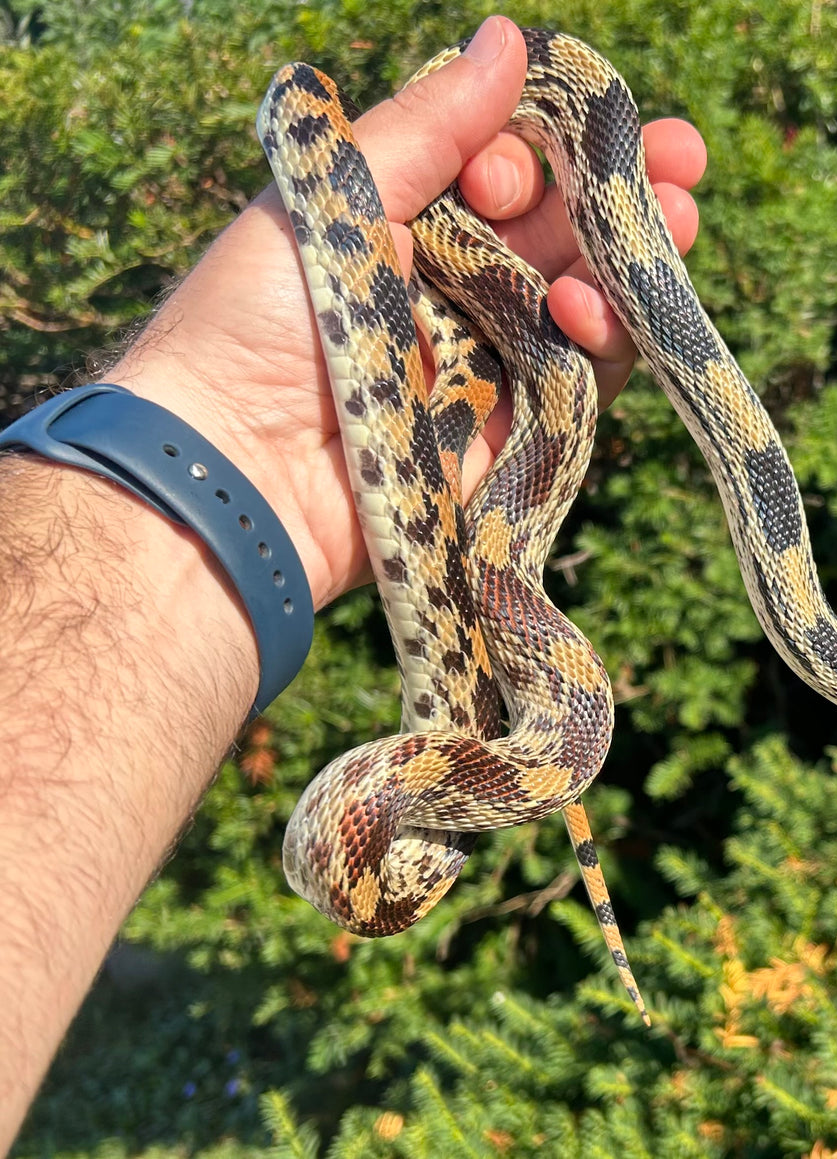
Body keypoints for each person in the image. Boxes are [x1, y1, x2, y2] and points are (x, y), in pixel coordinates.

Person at [0, 15, 706, 1147]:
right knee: (560, 364)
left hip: (419, 624)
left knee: (563, 375)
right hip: (396, 451)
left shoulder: (510, 550)